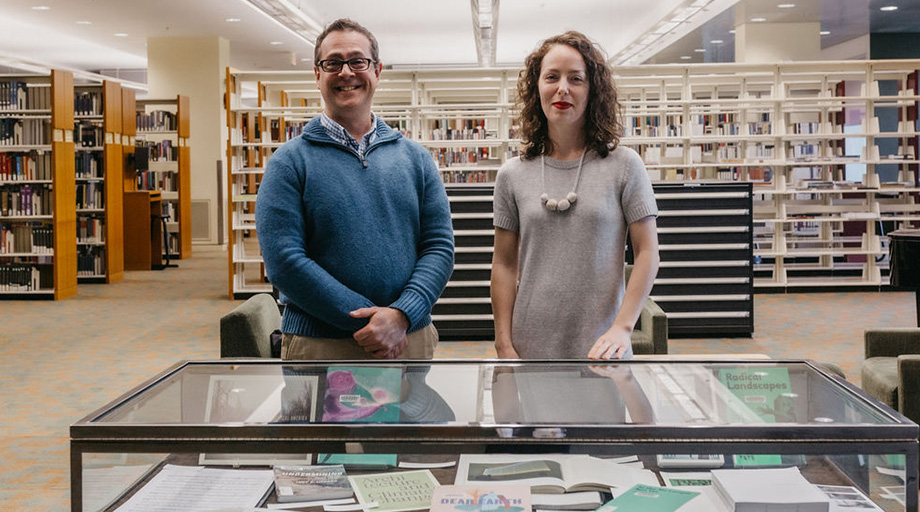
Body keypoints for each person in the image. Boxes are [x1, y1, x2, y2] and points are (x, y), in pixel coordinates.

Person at [256, 18, 454, 360]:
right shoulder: (289, 162)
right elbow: (284, 262)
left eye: (357, 61)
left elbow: (439, 247)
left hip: (407, 339)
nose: (346, 72)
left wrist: (401, 315)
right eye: (333, 63)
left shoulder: (416, 159)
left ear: (376, 70)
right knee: (319, 418)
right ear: (317, 75)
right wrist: (372, 322)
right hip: (321, 345)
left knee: (414, 415)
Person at [490, 31, 659, 360]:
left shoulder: (624, 165)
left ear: (592, 89)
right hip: (529, 349)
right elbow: (504, 265)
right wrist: (503, 341)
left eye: (576, 79)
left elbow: (648, 253)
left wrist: (623, 328)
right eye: (551, 77)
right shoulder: (511, 174)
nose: (562, 89)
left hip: (603, 348)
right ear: (536, 87)